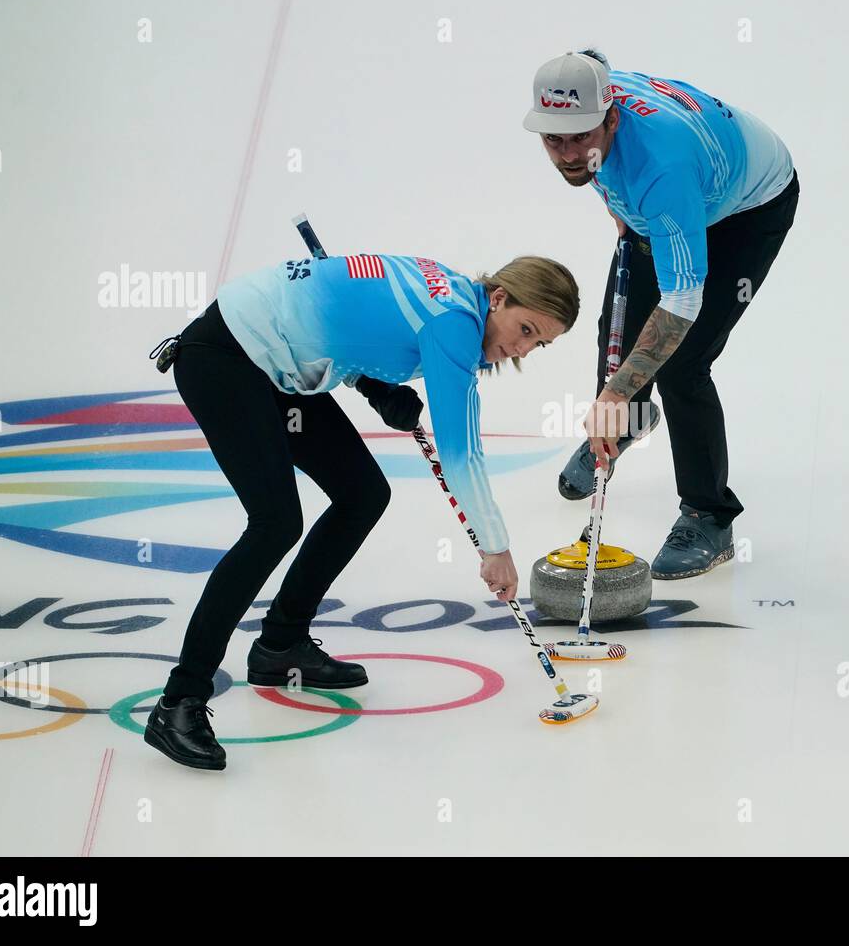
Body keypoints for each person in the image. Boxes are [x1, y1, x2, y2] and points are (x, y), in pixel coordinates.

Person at [144, 252, 579, 770]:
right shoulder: (454, 325)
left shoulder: (452, 294)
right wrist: (496, 548)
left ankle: (280, 646)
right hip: (224, 358)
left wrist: (375, 385)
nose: (522, 348)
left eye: (539, 343)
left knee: (362, 494)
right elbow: (462, 453)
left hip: (275, 363)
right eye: (525, 329)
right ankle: (179, 702)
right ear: (500, 298)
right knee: (274, 523)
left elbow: (348, 323)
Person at [522, 50, 799, 579]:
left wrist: (613, 393)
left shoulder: (661, 173)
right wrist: (618, 204)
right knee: (619, 336)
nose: (568, 154)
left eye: (581, 138)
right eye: (554, 141)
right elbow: (590, 56)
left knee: (682, 362)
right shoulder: (589, 93)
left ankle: (709, 515)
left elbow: (682, 302)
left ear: (612, 117)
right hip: (668, 196)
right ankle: (625, 425)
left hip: (749, 204)